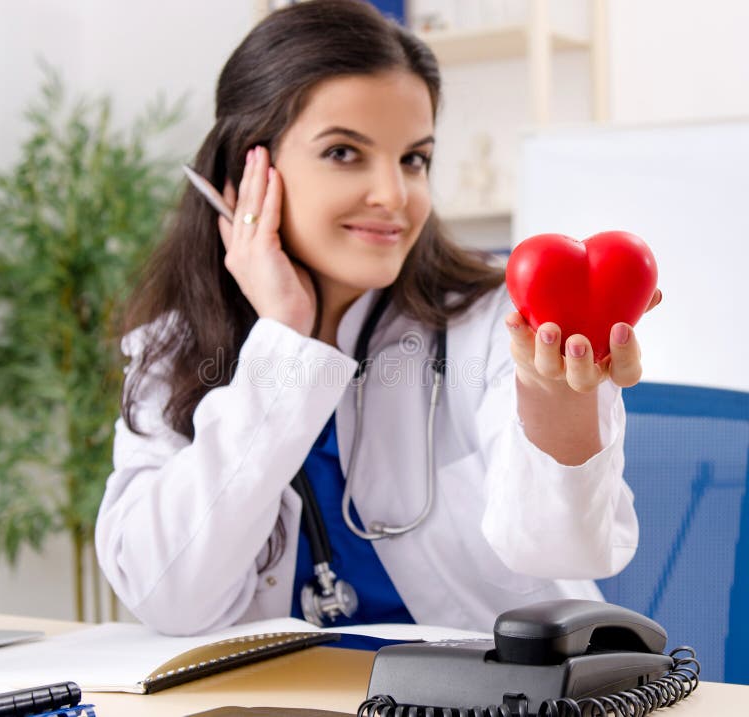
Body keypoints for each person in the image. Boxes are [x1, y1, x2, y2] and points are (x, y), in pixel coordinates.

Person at [95, 0, 660, 636]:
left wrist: (557, 402)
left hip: (480, 687)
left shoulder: (499, 323)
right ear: (247, 174)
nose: (394, 195)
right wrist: (282, 335)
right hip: (280, 691)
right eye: (343, 152)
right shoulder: (176, 348)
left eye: (414, 159)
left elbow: (564, 550)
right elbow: (168, 598)